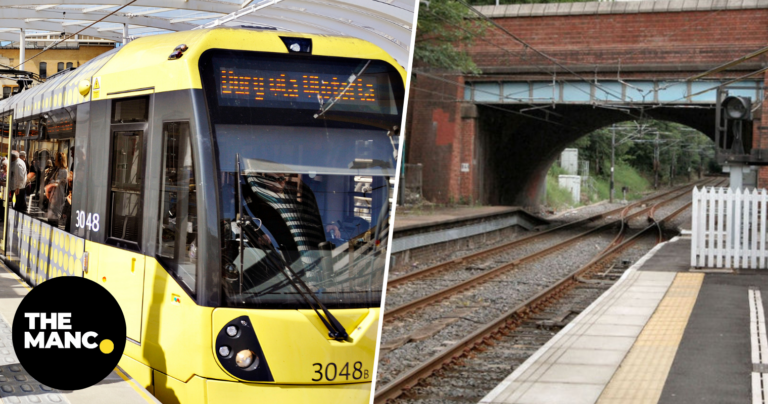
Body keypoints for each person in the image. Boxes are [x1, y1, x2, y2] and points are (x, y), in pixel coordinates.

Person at [44, 152, 68, 227]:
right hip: (53, 192)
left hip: (58, 193)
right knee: (52, 210)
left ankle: (54, 225)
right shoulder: (57, 169)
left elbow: (58, 182)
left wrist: (51, 181)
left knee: (55, 211)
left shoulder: (63, 170)